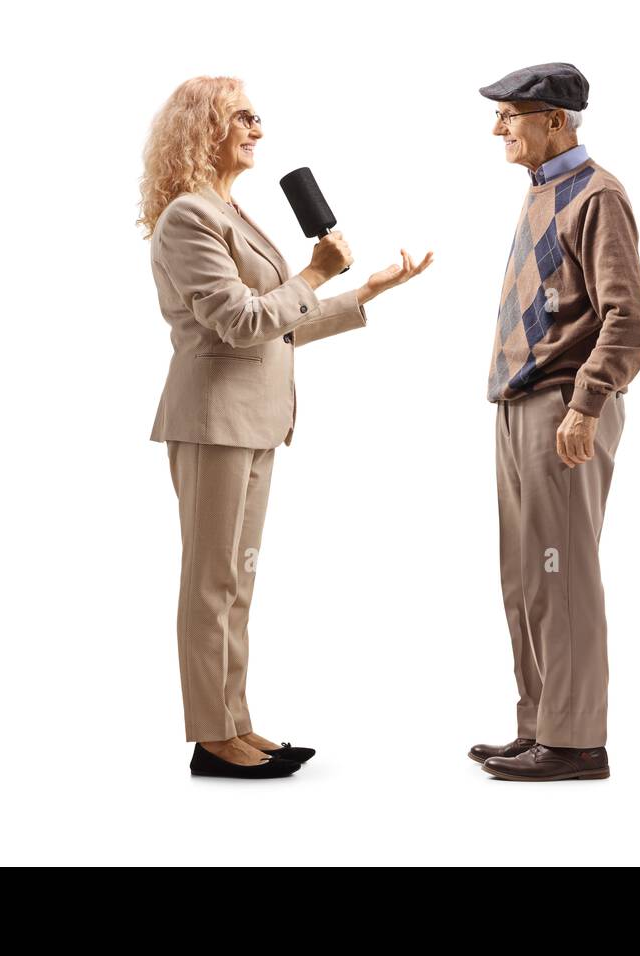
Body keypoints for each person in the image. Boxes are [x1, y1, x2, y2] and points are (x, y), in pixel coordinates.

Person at [137, 76, 432, 779]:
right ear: (202, 127)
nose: (258, 129)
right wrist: (315, 270)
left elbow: (279, 326)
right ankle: (213, 737)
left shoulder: (229, 210)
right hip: (213, 421)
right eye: (243, 117)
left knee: (236, 582)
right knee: (211, 584)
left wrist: (362, 291)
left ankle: (236, 722)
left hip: (259, 421)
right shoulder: (188, 218)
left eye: (258, 117)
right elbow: (239, 324)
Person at [467, 63, 640, 782]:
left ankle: (576, 741)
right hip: (518, 405)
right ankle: (540, 724)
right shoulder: (543, 193)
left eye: (510, 115)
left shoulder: (597, 195)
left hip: (562, 408)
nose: (498, 129)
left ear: (556, 121)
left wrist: (588, 400)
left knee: (561, 571)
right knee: (526, 576)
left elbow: (629, 320)